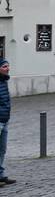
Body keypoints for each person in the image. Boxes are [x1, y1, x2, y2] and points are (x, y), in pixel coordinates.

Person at [0, 57, 11, 185]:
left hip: (5, 119)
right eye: (4, 67)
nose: (7, 68)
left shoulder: (4, 81)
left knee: (2, 149)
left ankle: (1, 174)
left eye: (8, 66)